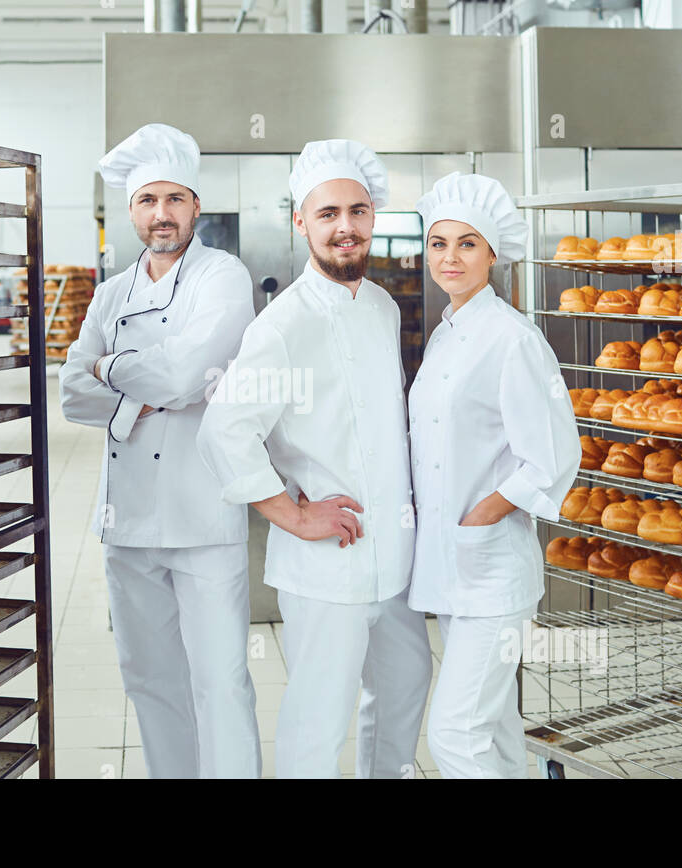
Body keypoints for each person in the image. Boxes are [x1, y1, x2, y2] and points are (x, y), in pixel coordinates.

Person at [196, 139, 432, 779]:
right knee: (318, 722)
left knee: (407, 685)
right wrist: (294, 517)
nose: (345, 227)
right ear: (301, 222)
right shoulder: (283, 324)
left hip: (394, 555)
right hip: (328, 563)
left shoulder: (383, 307)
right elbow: (223, 433)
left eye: (357, 211)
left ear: (374, 218)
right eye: (327, 214)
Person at [58, 123, 261, 778]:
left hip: (203, 516)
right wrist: (145, 389)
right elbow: (71, 394)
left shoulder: (224, 276)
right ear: (131, 211)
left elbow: (184, 375)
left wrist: (114, 370)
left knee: (221, 681)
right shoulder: (111, 292)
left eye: (175, 199)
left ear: (195, 206)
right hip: (127, 520)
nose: (161, 213)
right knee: (148, 677)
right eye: (148, 201)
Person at [408, 171, 581, 778]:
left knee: (455, 732)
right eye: (438, 243)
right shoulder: (446, 333)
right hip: (452, 566)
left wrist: (484, 512)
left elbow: (555, 455)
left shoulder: (512, 338)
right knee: (499, 728)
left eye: (466, 243)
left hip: (488, 569)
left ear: (492, 253)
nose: (449, 257)